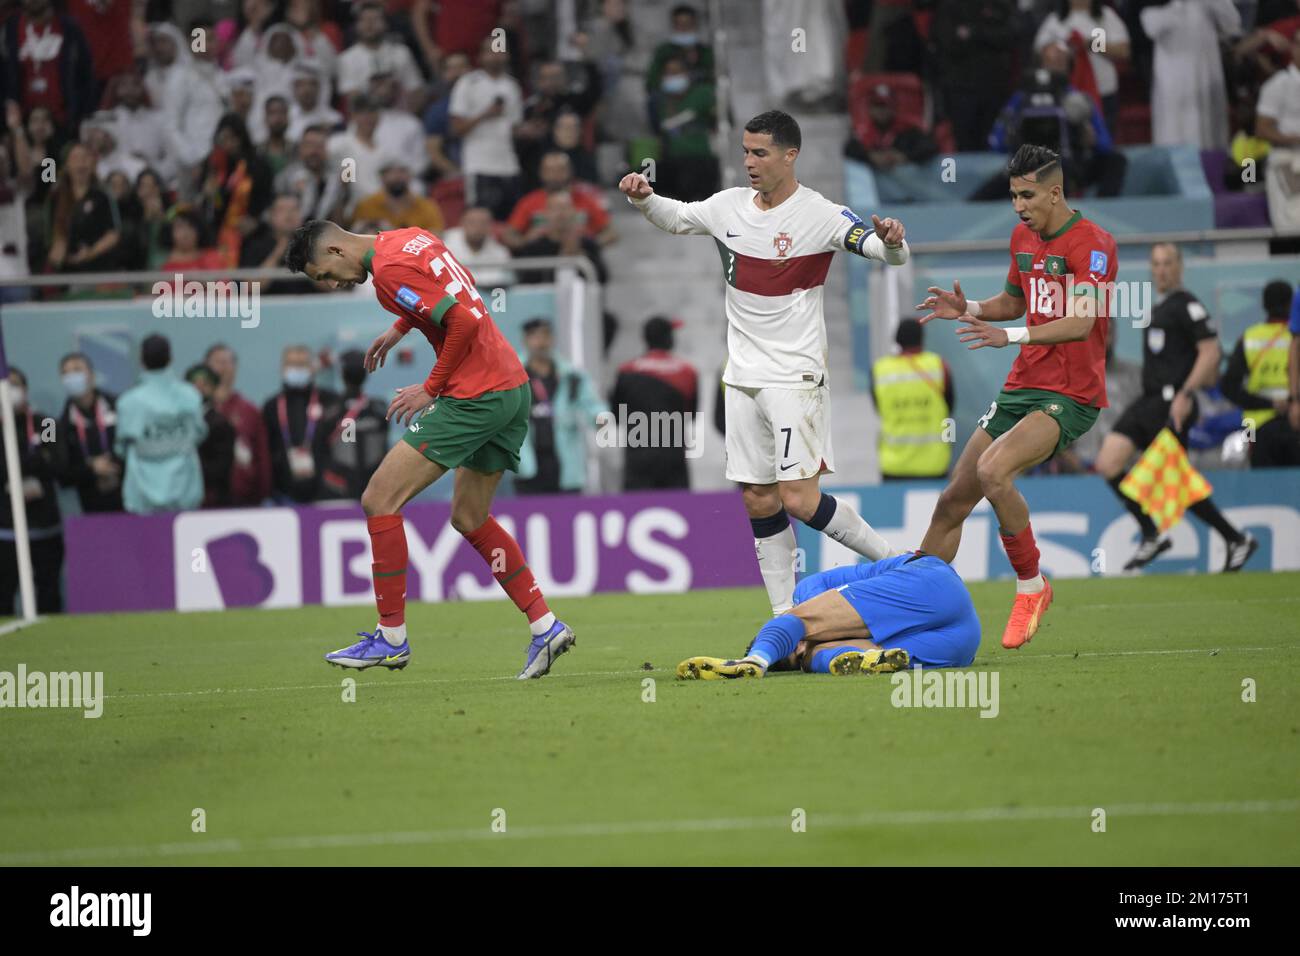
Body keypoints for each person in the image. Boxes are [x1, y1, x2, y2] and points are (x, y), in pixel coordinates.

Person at [620, 109, 909, 618]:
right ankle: (783, 617)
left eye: (760, 153)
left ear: (790, 155)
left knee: (798, 498)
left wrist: (892, 241)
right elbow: (677, 216)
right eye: (745, 152)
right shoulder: (729, 206)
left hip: (794, 378)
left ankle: (896, 564)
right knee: (758, 498)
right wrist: (643, 198)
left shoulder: (819, 214)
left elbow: (882, 252)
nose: (749, 162)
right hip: (742, 379)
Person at [283, 220, 577, 679]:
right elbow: (459, 289)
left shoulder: (385, 273)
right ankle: (545, 625)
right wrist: (402, 328)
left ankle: (390, 637)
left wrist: (431, 387)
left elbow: (461, 319)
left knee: (379, 499)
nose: (331, 284)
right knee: (470, 518)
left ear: (336, 250)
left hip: (474, 394)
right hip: (510, 387)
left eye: (323, 274)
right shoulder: (410, 237)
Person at [914, 144, 1116, 648]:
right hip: (1022, 386)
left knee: (993, 471)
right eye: (1013, 196)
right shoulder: (1022, 237)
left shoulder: (1094, 245)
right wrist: (972, 307)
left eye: (1028, 195)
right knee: (952, 500)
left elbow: (1081, 321)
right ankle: (912, 606)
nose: (1019, 206)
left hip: (1071, 394)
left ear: (1055, 191)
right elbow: (1015, 301)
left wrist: (1014, 336)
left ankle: (1032, 584)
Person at [1093, 242, 1258, 572]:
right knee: (1109, 462)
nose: (1162, 270)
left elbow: (1210, 353)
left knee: (1173, 480)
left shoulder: (1188, 306)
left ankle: (1230, 538)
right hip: (1150, 400)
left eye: (1168, 263)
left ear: (1180, 266)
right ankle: (1158, 533)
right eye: (1156, 264)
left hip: (1172, 403)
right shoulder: (1159, 308)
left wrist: (1185, 394)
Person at [677, 551, 981, 680]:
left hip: (929, 581)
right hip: (962, 640)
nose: (802, 647)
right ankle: (871, 661)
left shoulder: (806, 593)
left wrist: (798, 631)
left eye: (795, 647)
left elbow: (802, 617)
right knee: (836, 657)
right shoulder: (818, 648)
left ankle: (755, 661)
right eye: (796, 653)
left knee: (803, 625)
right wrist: (808, 655)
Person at [514, 317, 609, 495]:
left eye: (546, 336)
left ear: (552, 339)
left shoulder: (571, 375)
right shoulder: (513, 375)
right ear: (525, 340)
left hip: (565, 460)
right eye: (535, 337)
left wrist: (601, 418)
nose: (541, 342)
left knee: (566, 517)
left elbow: (593, 405)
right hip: (528, 460)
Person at [114, 334, 207, 514]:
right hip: (186, 492)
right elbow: (200, 434)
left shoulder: (128, 402)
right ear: (171, 358)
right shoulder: (190, 396)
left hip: (142, 498)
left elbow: (121, 449)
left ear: (141, 361)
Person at [0, 366, 63, 614]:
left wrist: (19, 462)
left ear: (25, 390)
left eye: (15, 384)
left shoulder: (45, 422)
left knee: (48, 590)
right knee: (4, 590)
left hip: (44, 525)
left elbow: (55, 462)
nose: (10, 390)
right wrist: (33, 458)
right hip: (6, 528)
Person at [609, 316, 699, 490]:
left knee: (637, 508)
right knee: (678, 508)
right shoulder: (686, 372)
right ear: (669, 338)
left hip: (637, 455)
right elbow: (691, 415)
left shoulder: (626, 370)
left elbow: (616, 415)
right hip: (673, 455)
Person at [1140, 0, 1241, 150]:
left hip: (1207, 79)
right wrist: (1179, 6)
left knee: (1210, 138)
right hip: (1174, 84)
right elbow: (1151, 27)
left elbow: (1232, 24)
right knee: (1176, 135)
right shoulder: (1158, 6)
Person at [448, 36, 524, 219]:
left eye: (500, 52)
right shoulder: (468, 83)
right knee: (480, 217)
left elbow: (514, 126)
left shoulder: (512, 86)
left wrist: (528, 130)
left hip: (508, 165)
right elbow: (456, 128)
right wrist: (485, 114)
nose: (496, 56)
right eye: (491, 51)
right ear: (481, 56)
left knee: (509, 219)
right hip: (480, 165)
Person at [871, 317, 953, 480]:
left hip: (894, 464)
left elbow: (879, 408)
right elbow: (949, 408)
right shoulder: (938, 365)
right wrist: (950, 438)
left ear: (897, 339)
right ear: (922, 338)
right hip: (935, 463)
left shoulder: (880, 369)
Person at [0, 0, 96, 140]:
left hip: (64, 119)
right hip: (23, 120)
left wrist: (84, 115)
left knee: (51, 161)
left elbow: (85, 73)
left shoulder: (69, 27)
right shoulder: (10, 28)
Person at [1222, 280, 1294, 457]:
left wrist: (1268, 404)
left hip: (1253, 425)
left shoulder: (1249, 338)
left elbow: (1228, 387)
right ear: (1292, 304)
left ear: (1263, 305)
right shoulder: (1296, 339)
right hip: (1295, 421)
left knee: (1258, 480)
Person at [262, 344, 339, 503]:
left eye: (301, 365)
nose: (296, 370)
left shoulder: (330, 401)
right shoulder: (271, 406)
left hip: (325, 491)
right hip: (282, 492)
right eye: (292, 365)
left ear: (312, 367)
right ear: (283, 368)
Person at [503, 151, 614, 249]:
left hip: (579, 257)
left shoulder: (585, 199)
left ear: (570, 171)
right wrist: (527, 241)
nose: (555, 175)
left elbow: (610, 233)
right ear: (541, 172)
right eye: (550, 170)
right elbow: (509, 235)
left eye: (561, 170)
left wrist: (590, 244)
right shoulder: (529, 202)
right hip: (542, 259)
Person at [205, 343, 272, 506]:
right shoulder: (196, 410)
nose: (222, 368)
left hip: (244, 499)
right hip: (205, 500)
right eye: (217, 362)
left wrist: (262, 494)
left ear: (235, 368)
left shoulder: (249, 411)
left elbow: (262, 456)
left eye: (227, 362)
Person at [317, 349, 388, 500]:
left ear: (342, 374)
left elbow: (319, 448)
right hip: (372, 487)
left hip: (337, 487)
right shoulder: (379, 409)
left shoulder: (331, 409)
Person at [55, 352, 122, 513]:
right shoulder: (52, 424)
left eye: (77, 370)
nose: (72, 376)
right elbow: (59, 473)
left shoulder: (119, 406)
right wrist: (91, 469)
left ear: (91, 375)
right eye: (66, 373)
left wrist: (114, 466)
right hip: (90, 508)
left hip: (129, 503)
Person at [648, 55, 720, 202]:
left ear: (687, 74)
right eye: (668, 73)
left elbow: (715, 115)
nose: (671, 77)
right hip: (672, 161)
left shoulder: (702, 93)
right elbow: (660, 129)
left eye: (676, 72)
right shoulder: (661, 100)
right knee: (646, 170)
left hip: (701, 160)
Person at [43, 142, 122, 274]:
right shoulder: (55, 197)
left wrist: (90, 253)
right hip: (66, 270)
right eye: (75, 159)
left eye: (85, 159)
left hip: (99, 268)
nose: (81, 164)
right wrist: (57, 254)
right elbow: (52, 237)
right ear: (67, 165)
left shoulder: (103, 196)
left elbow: (113, 234)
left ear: (92, 165)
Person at [1255, 31, 1300, 231]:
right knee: (1293, 224)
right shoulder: (1278, 85)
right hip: (1287, 159)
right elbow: (1262, 129)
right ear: (1294, 48)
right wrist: (1296, 138)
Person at [184, 364, 236, 508]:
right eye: (194, 383)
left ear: (214, 388)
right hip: (181, 499)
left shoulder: (221, 424)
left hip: (212, 501)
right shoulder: (178, 422)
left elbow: (222, 468)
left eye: (205, 384)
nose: (199, 389)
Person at [350, 158, 444, 233]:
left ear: (410, 175)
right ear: (381, 176)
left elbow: (436, 236)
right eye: (391, 172)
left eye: (402, 171)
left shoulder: (426, 206)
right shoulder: (366, 206)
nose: (397, 176)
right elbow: (355, 236)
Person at [441, 204, 514, 287]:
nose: (478, 227)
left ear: (491, 226)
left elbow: (505, 282)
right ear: (462, 223)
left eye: (483, 223)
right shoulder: (444, 247)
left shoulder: (501, 252)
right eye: (472, 222)